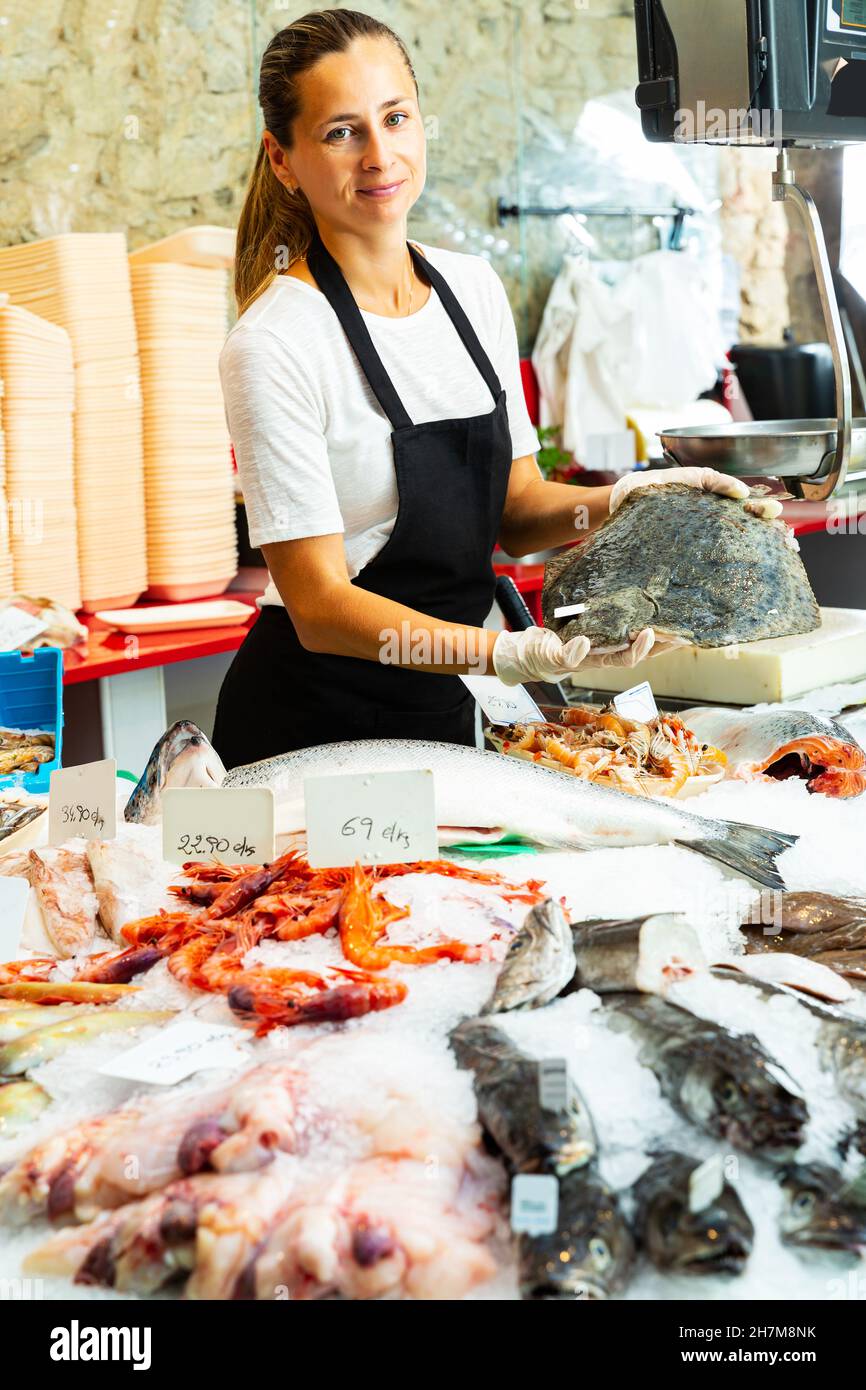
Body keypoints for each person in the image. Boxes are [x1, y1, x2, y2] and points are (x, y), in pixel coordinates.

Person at [212, 8, 781, 769]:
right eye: (342, 132)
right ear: (282, 159)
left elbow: (516, 511)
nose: (381, 155)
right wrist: (509, 652)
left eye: (396, 118)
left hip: (443, 713)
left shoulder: (471, 290)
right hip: (313, 729)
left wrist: (633, 500)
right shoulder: (274, 341)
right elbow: (318, 608)